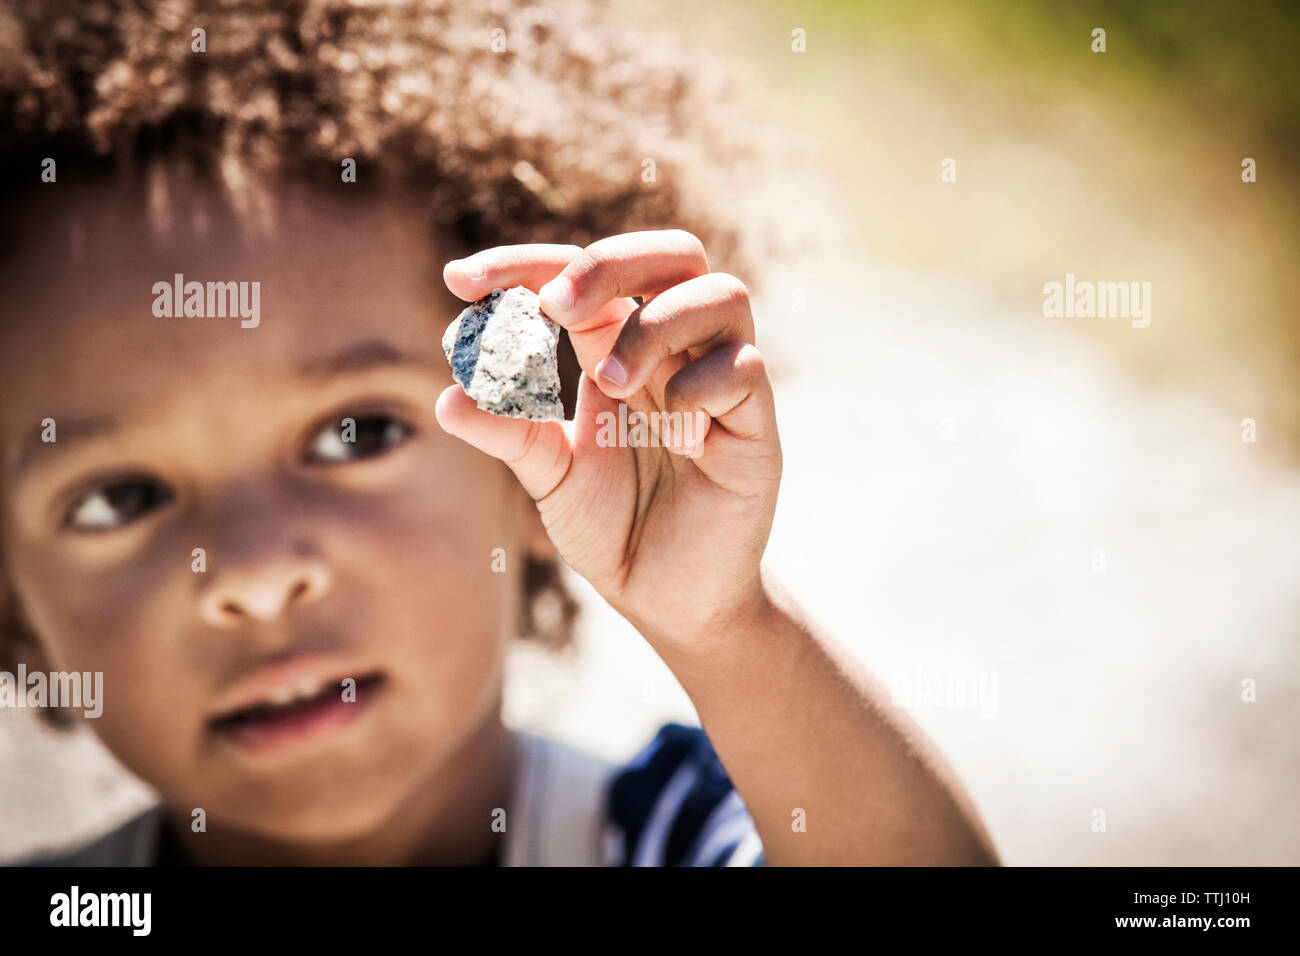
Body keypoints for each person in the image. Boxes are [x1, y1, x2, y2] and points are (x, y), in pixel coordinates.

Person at [0, 0, 998, 866]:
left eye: (355, 433)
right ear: (14, 598)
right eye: (116, 497)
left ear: (538, 443)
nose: (254, 573)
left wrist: (722, 626)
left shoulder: (659, 837)